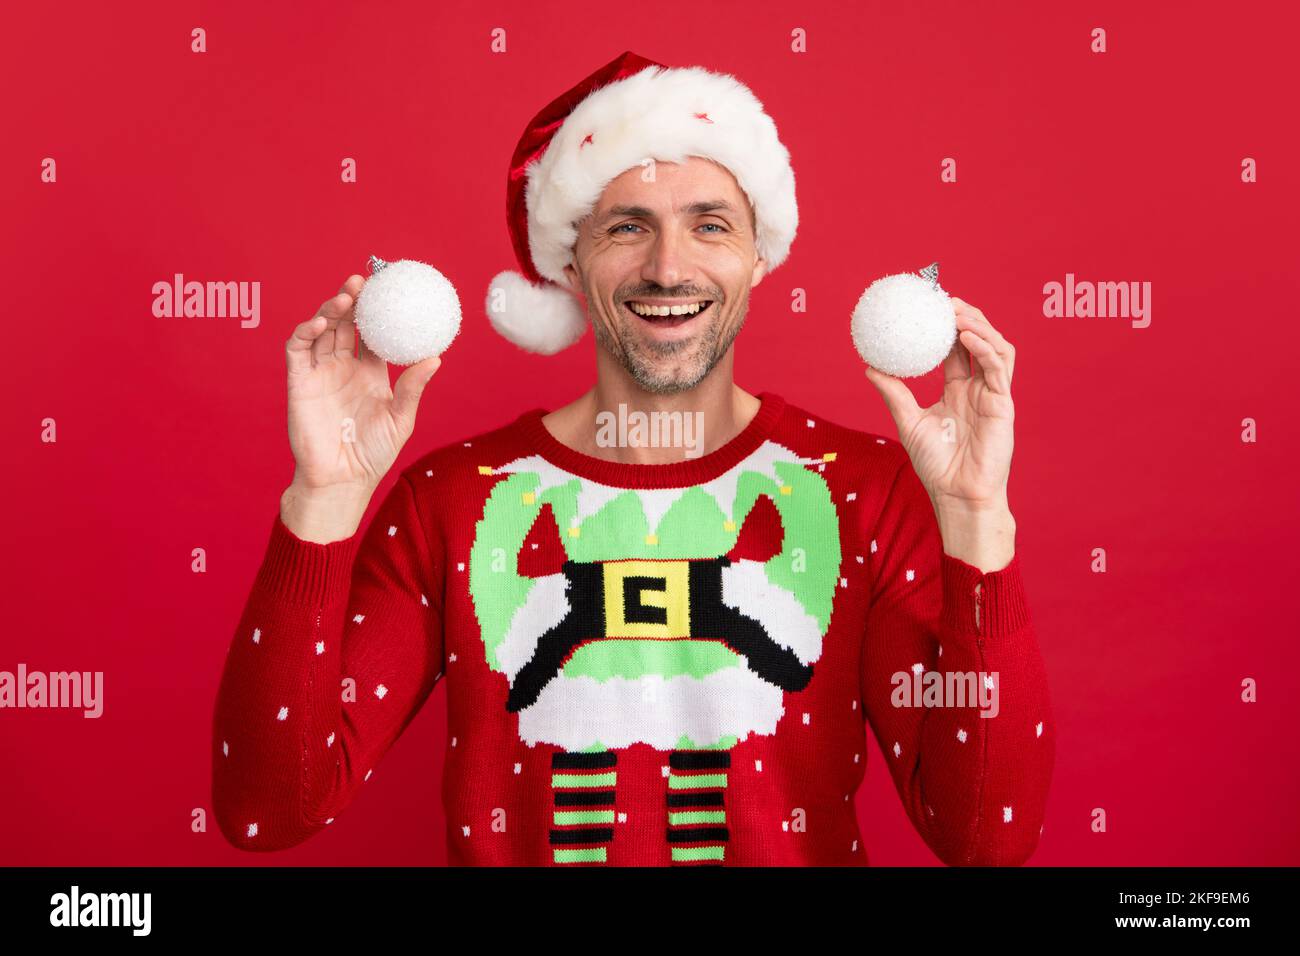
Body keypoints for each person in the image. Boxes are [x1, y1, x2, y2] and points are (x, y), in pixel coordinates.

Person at [211, 50, 1054, 866]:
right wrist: (322, 498)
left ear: (761, 255)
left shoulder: (865, 491)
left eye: (711, 225)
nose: (667, 267)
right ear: (571, 262)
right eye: (627, 227)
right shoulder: (453, 501)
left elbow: (986, 836)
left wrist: (979, 516)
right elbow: (266, 810)